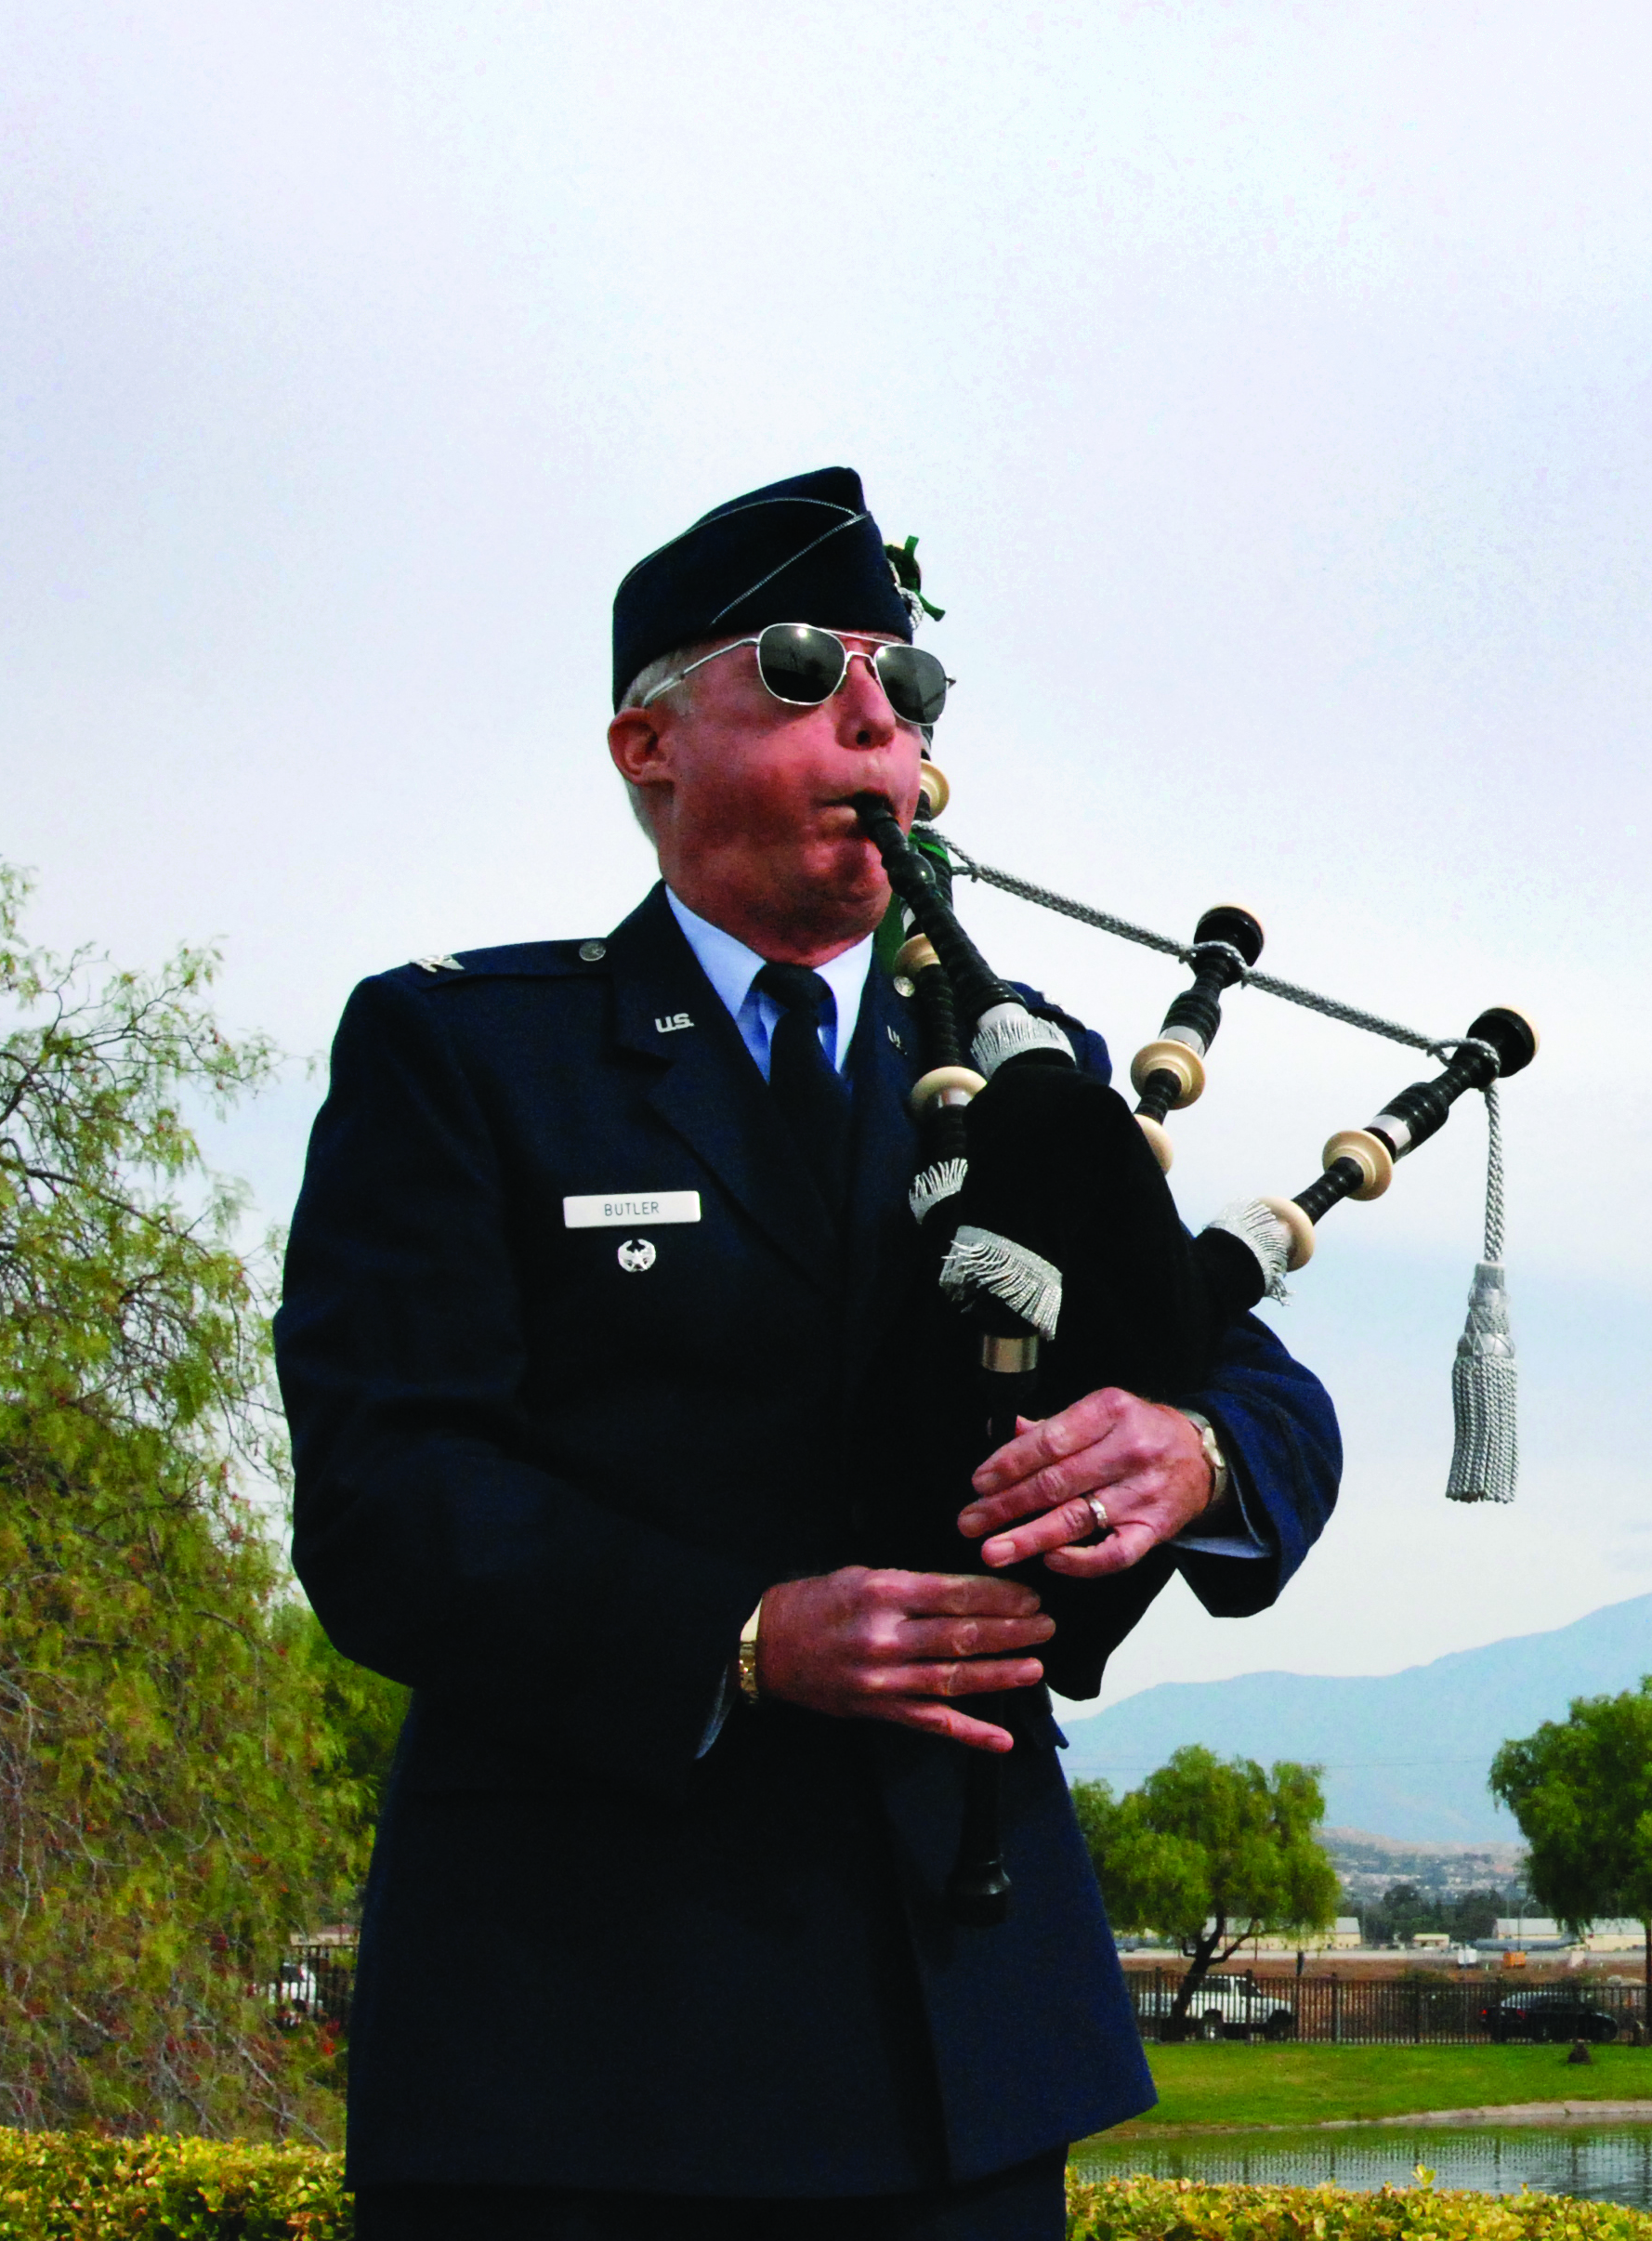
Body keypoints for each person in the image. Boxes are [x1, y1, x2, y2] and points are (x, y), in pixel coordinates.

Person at [277, 466, 1341, 2237]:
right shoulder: (466, 1055)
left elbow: (1253, 1386)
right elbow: (388, 1499)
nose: (874, 717)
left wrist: (1192, 1453)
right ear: (647, 746)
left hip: (954, 2036)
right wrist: (745, 1637)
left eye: (905, 687)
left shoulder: (1025, 1065)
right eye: (797, 670)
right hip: (574, 2055)